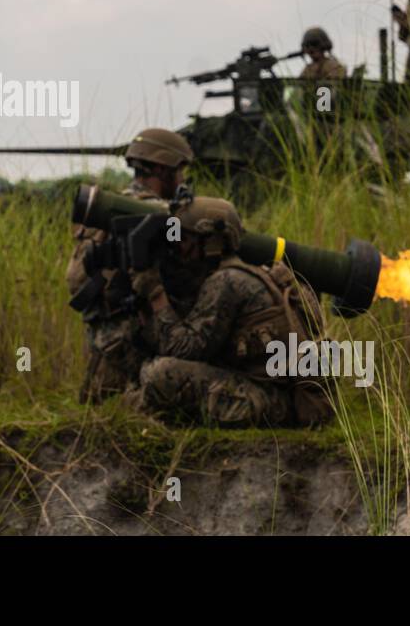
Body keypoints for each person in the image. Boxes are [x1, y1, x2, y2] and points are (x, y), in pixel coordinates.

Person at [127, 195, 335, 428]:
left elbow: (183, 349)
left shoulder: (227, 281)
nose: (179, 247)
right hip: (281, 391)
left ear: (212, 242)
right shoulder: (252, 267)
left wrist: (155, 295)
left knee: (161, 374)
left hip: (277, 401)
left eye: (186, 239)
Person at [68, 128, 193, 403]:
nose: (182, 179)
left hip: (101, 337)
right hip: (136, 341)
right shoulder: (155, 216)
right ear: (162, 168)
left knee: (99, 417)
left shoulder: (110, 208)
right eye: (179, 170)